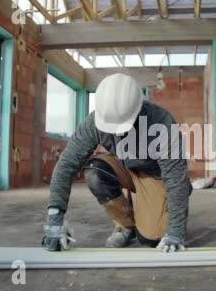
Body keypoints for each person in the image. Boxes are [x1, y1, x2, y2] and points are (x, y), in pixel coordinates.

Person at [42, 73, 192, 252]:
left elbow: (176, 178)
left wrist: (175, 232)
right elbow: (67, 165)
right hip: (125, 166)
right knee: (95, 172)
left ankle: (149, 208)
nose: (117, 134)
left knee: (152, 239)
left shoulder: (161, 122)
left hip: (154, 175)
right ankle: (125, 225)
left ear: (138, 110)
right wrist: (55, 220)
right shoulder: (94, 122)